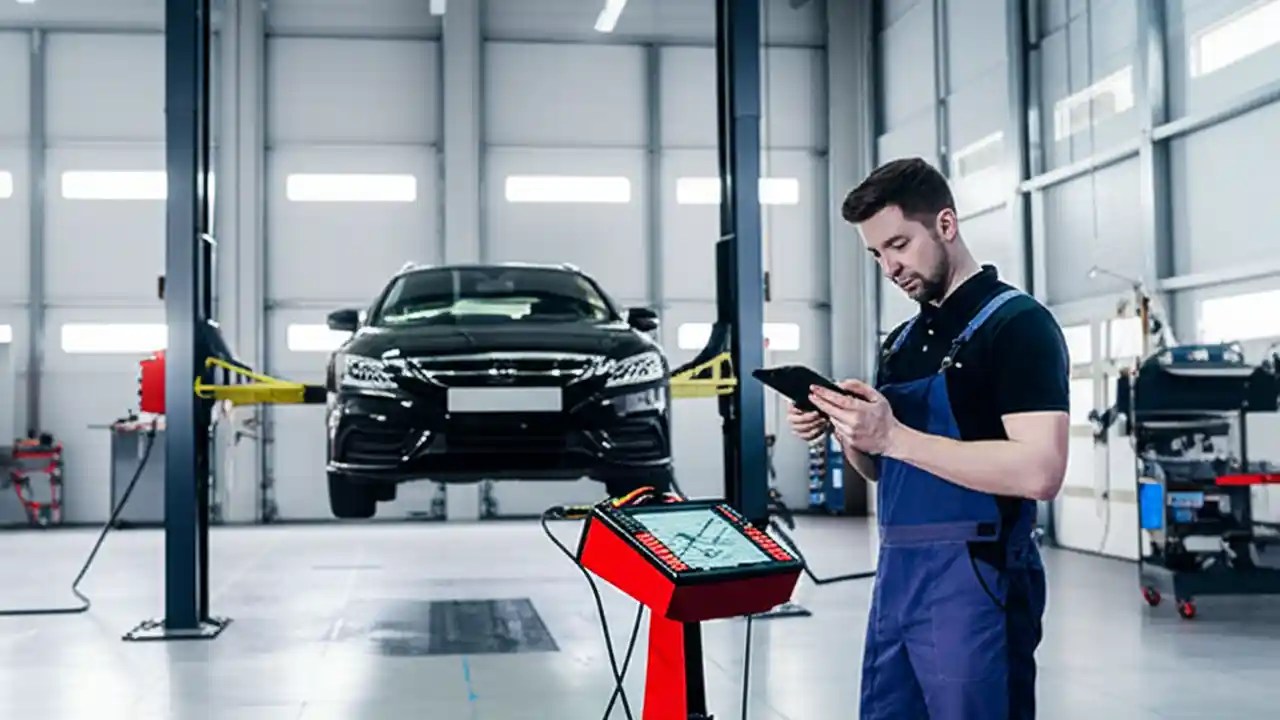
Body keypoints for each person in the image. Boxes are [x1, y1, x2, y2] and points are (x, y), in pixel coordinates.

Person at [788, 157, 1069, 719]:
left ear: (946, 224)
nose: (890, 268)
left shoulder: (1016, 326)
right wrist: (851, 429)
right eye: (876, 255)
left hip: (979, 578)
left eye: (899, 245)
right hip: (898, 576)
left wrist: (893, 437)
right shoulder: (902, 341)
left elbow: (1041, 472)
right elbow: (882, 472)